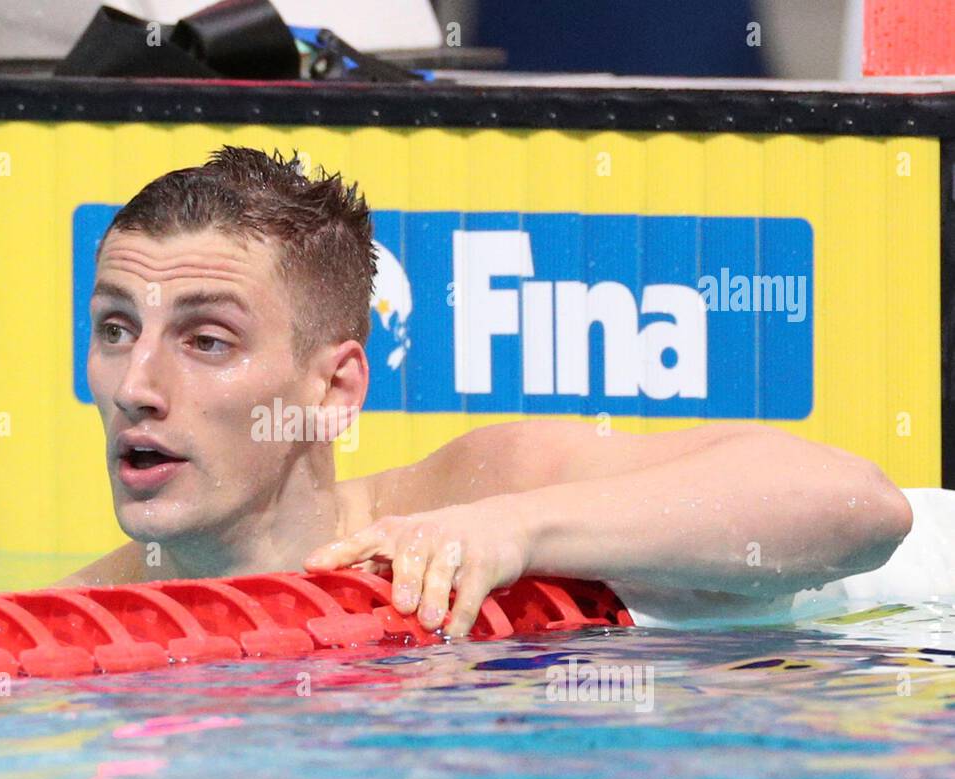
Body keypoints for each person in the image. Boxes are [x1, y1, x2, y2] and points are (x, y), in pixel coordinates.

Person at [58, 145, 935, 632]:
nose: (136, 385)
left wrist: (517, 529)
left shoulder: (488, 490)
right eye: (115, 329)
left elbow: (863, 507)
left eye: (206, 340)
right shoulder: (92, 610)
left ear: (333, 389)